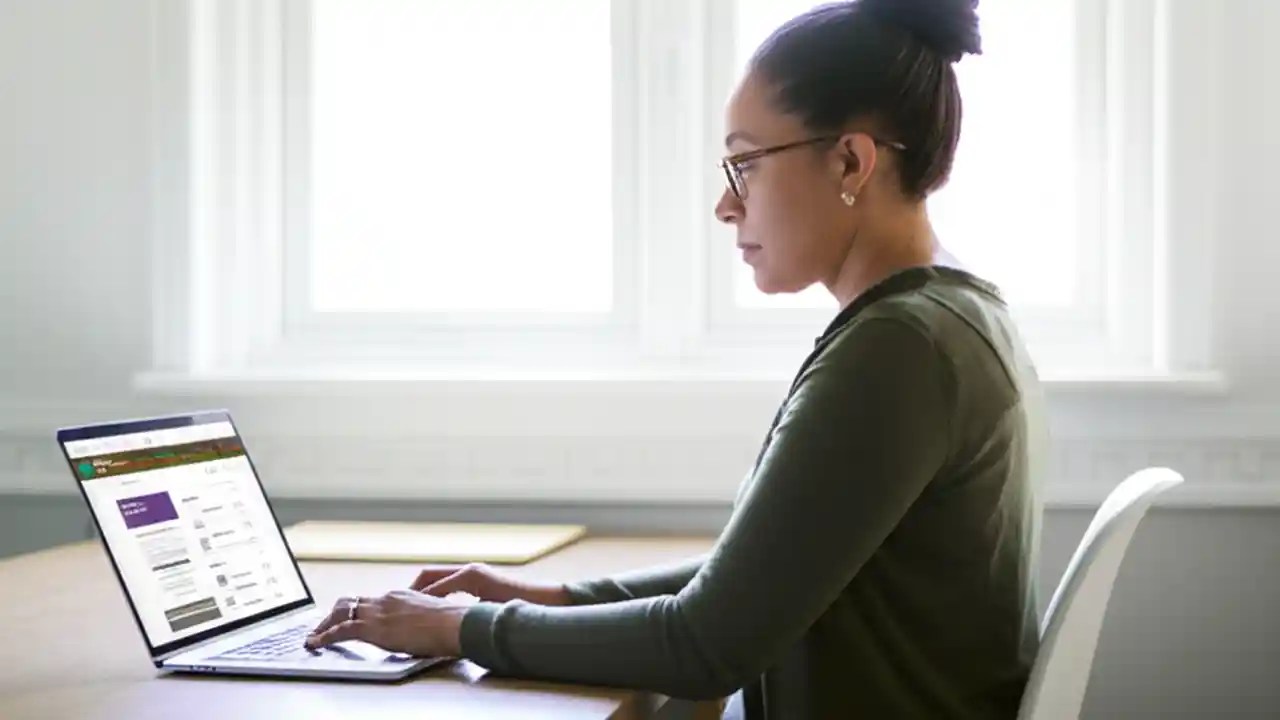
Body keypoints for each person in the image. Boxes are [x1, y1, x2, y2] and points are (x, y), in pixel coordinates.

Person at [306, 0, 1047, 717]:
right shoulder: (957, 317)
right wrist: (549, 600)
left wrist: (455, 630)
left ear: (850, 161)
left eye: (744, 165)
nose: (726, 206)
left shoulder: (900, 351)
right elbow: (763, 581)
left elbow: (705, 645)